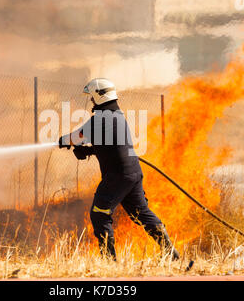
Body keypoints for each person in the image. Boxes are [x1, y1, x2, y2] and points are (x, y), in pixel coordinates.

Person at [59, 78, 180, 261]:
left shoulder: (99, 120)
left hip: (117, 177)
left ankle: (109, 261)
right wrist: (90, 150)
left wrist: (62, 141)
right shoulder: (117, 116)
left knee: (99, 214)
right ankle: (171, 252)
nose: (91, 101)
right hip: (133, 173)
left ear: (99, 96)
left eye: (92, 97)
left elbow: (75, 137)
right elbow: (111, 144)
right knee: (141, 213)